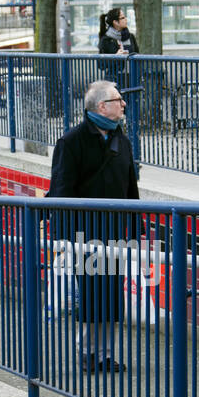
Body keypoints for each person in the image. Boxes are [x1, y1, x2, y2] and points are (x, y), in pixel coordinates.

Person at [47, 79, 141, 373]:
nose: (124, 104)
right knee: (92, 293)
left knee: (112, 294)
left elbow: (130, 189)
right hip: (83, 234)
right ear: (102, 106)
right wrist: (62, 240)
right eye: (118, 100)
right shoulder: (72, 142)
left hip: (114, 234)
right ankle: (89, 352)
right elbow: (61, 190)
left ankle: (105, 354)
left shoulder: (120, 139)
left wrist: (135, 232)